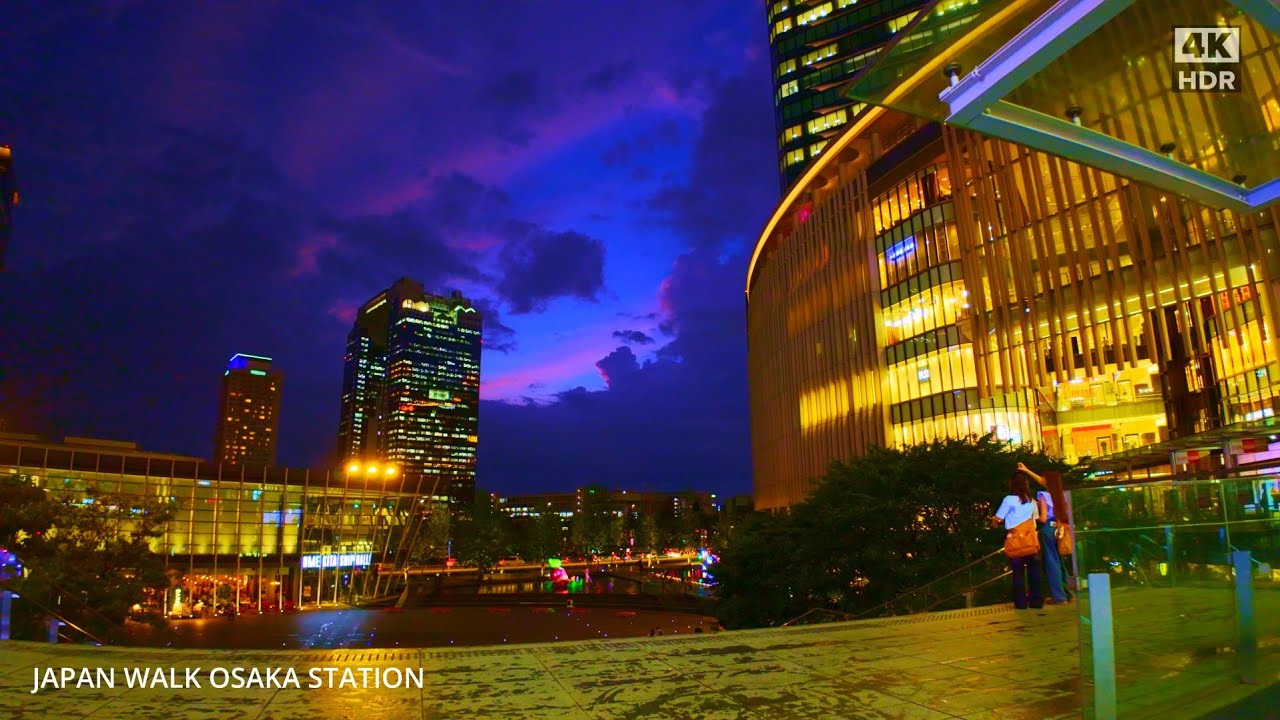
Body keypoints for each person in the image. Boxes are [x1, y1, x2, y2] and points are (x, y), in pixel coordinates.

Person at [1017, 462, 1070, 604]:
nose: (1041, 480)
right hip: (1061, 529)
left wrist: (1034, 514)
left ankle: (1059, 597)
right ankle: (1068, 593)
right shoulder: (1064, 495)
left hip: (1048, 530)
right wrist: (1027, 469)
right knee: (1060, 563)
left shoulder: (1044, 496)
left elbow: (1043, 518)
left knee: (1051, 563)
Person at [994, 472, 1044, 609]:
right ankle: (1036, 602)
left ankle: (1021, 603)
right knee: (1034, 573)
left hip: (1015, 541)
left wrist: (993, 523)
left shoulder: (1008, 500)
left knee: (1018, 574)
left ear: (1012, 484)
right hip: (1030, 540)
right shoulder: (1030, 500)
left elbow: (998, 518)